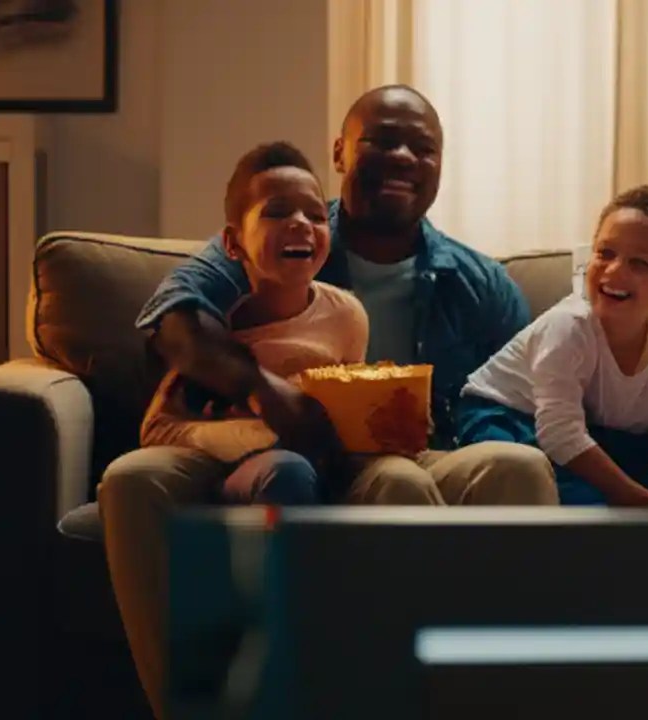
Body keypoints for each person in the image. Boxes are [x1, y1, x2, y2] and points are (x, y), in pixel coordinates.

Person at [98, 85, 557, 718]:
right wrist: (268, 394)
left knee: (516, 466)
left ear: (441, 168)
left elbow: (524, 398)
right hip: (259, 447)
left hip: (402, 456)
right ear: (339, 151)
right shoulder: (286, 230)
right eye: (381, 140)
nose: (402, 156)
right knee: (131, 478)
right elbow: (174, 320)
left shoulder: (479, 284)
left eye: (422, 147)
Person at [455, 185, 648, 510]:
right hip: (511, 423)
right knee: (566, 492)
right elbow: (560, 433)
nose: (614, 270)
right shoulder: (569, 326)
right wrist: (632, 496)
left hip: (600, 439)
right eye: (605, 253)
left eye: (640, 264)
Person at [139, 140, 368, 505]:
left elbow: (351, 405)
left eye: (316, 215)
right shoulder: (218, 320)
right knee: (288, 468)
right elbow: (160, 426)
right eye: (276, 212)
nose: (300, 223)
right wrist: (263, 422)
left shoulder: (347, 314)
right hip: (244, 467)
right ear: (232, 243)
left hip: (317, 468)